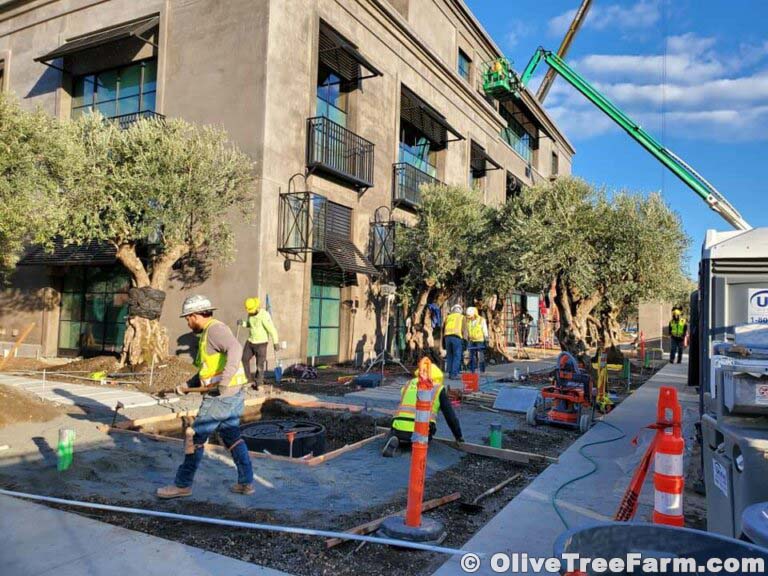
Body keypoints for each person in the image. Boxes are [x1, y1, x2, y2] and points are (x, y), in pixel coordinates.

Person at [157, 295, 254, 499]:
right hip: (234, 393)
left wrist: (224, 381)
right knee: (231, 436)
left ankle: (182, 485)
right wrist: (186, 385)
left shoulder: (214, 330)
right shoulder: (209, 333)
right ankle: (246, 482)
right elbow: (206, 370)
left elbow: (236, 349)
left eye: (187, 318)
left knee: (195, 437)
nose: (187, 321)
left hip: (221, 395)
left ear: (194, 315)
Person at [382, 363, 464, 457]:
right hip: (421, 431)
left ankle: (397, 439)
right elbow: (450, 416)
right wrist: (459, 436)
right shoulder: (438, 388)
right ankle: (411, 446)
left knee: (402, 430)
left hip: (397, 427)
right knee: (422, 438)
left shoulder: (409, 384)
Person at [239, 297, 279, 389]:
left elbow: (272, 329)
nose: (250, 312)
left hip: (261, 343)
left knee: (259, 364)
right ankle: (247, 380)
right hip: (250, 341)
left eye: (252, 310)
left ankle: (259, 383)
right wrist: (243, 323)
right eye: (249, 310)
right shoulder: (250, 314)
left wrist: (275, 342)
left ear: (256, 307)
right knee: (244, 359)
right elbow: (250, 324)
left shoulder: (264, 315)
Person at [443, 304, 465, 380]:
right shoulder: (462, 317)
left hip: (447, 338)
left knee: (449, 355)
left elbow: (444, 327)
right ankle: (454, 374)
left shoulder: (448, 317)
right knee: (457, 356)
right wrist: (465, 339)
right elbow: (463, 329)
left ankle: (450, 373)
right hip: (456, 337)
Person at [466, 306, 488, 373]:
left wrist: (486, 339)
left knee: (480, 355)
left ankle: (482, 370)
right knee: (471, 355)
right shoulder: (469, 321)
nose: (470, 317)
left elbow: (485, 330)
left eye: (470, 316)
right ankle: (472, 369)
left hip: (479, 340)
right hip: (471, 340)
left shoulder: (481, 320)